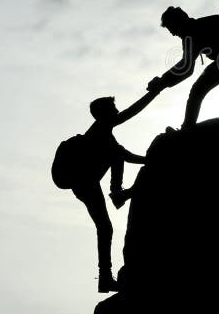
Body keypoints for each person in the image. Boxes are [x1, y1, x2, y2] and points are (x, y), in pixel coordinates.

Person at [69, 91, 159, 293]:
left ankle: (104, 279)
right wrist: (156, 91)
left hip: (84, 184)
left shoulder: (105, 137)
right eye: (113, 109)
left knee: (105, 228)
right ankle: (116, 192)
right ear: (103, 114)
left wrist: (149, 159)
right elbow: (129, 113)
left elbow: (125, 155)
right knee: (105, 228)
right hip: (85, 182)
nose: (116, 112)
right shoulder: (100, 128)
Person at [147, 7, 219, 128]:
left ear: (178, 22)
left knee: (200, 86)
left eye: (172, 28)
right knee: (209, 78)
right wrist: (163, 81)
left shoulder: (192, 33)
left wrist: (162, 81)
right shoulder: (199, 25)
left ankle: (188, 127)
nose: (172, 33)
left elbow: (186, 67)